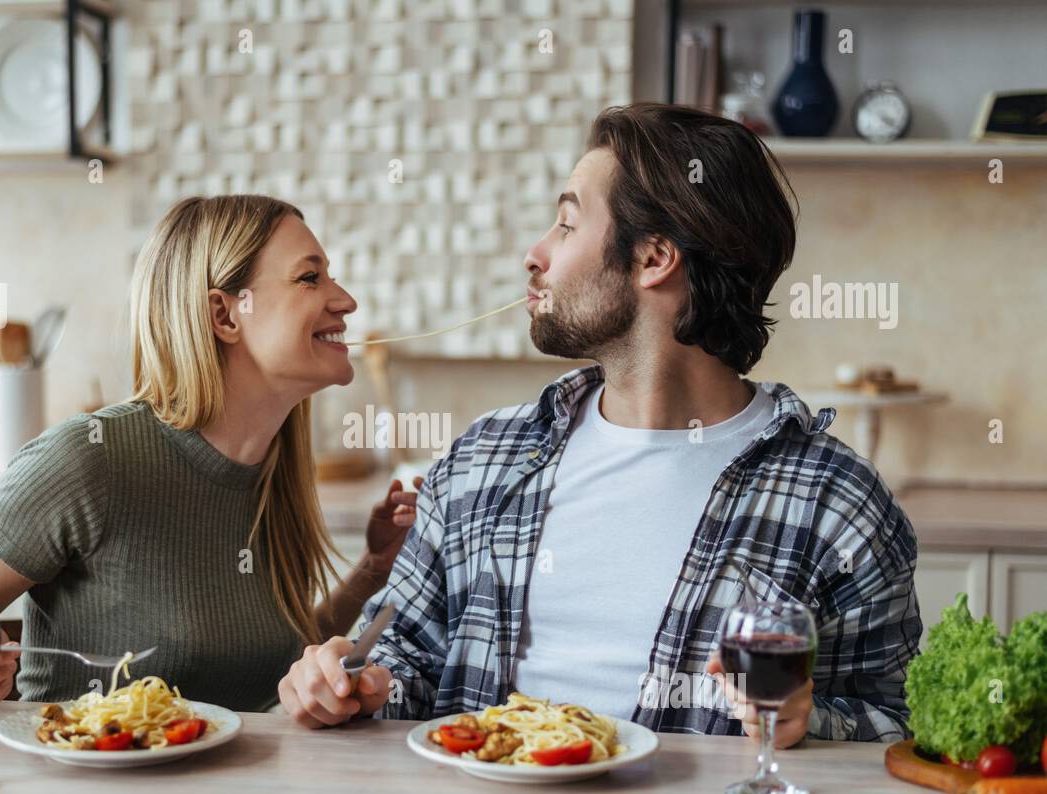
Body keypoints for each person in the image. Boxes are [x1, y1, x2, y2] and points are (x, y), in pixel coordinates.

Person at [280, 103, 922, 746]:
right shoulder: (481, 463)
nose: (535, 255)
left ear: (653, 258)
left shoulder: (834, 501)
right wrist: (349, 687)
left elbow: (900, 722)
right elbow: (401, 667)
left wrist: (808, 723)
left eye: (565, 225)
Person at [0, 194, 420, 711]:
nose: (345, 300)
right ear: (224, 314)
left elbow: (279, 658)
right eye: (310, 277)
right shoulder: (86, 461)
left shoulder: (272, 469)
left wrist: (372, 570)